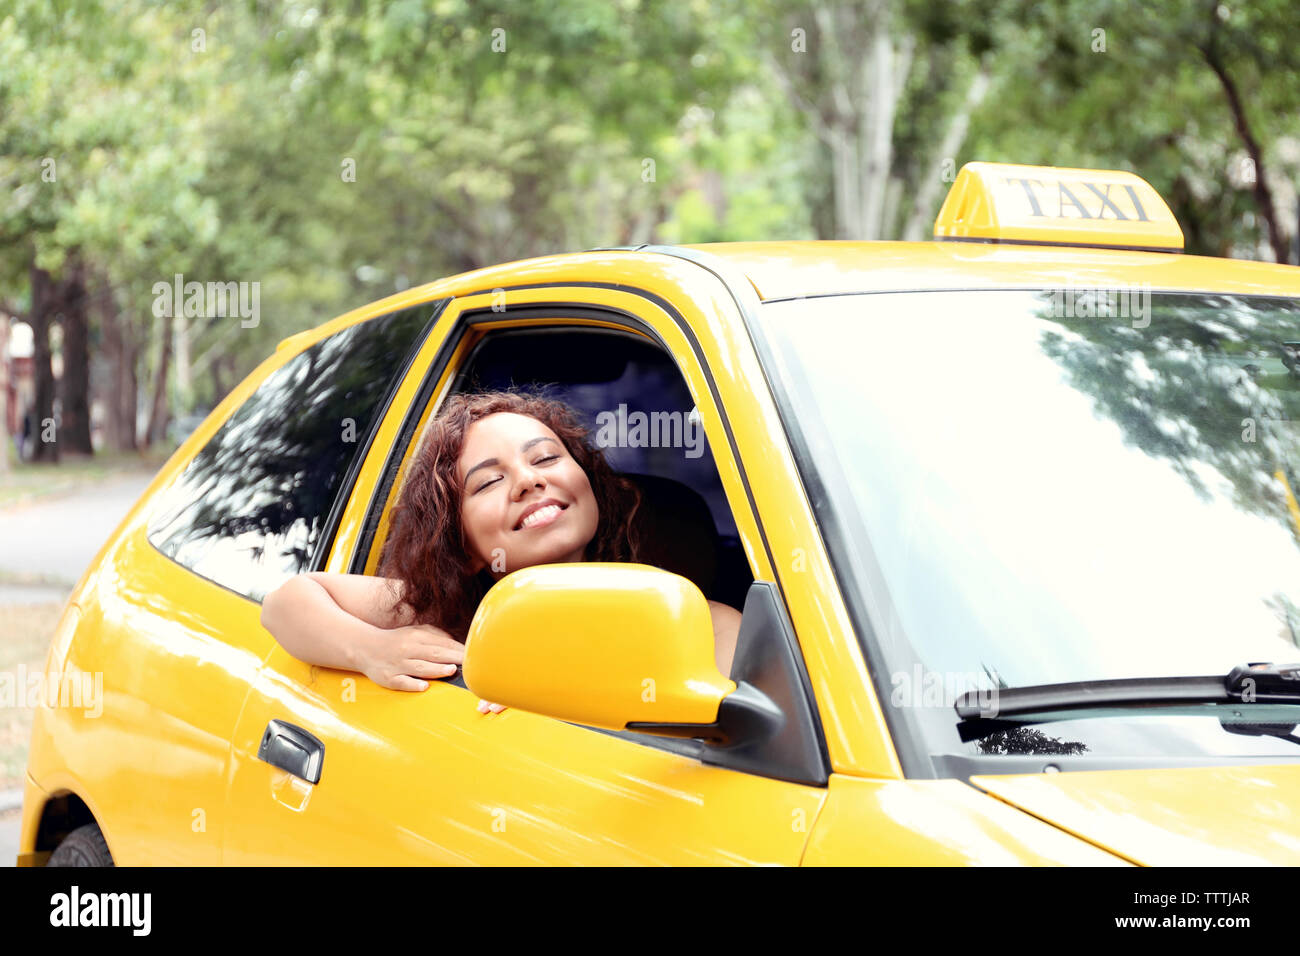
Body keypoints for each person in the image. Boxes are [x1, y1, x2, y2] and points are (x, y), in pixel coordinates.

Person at [260, 391, 742, 715]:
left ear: (590, 485)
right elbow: (287, 602)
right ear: (462, 547)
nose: (530, 480)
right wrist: (373, 651)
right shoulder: (443, 617)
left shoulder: (699, 620)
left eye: (547, 458)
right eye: (489, 481)